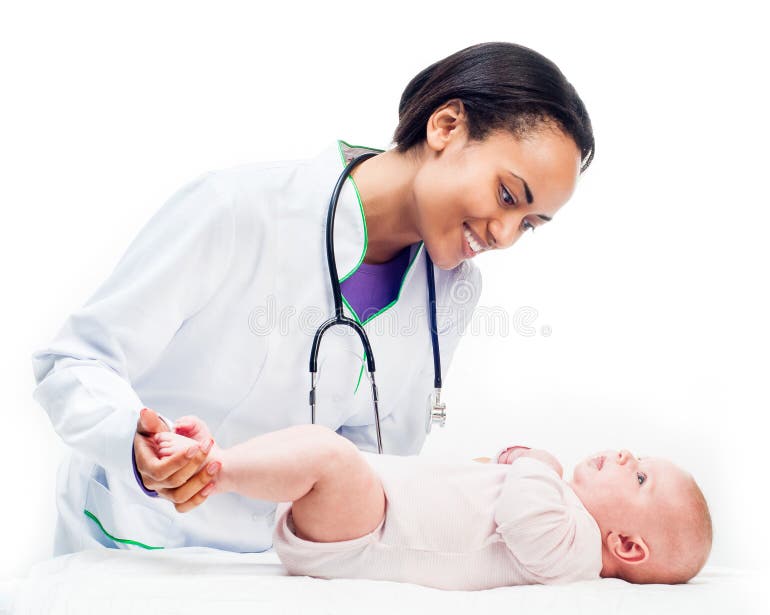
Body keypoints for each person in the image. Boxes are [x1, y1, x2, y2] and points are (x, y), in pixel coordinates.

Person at [30, 41, 595, 555]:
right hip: (131, 546)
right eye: (506, 195)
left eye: (529, 224)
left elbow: (372, 464)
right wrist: (133, 442)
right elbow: (73, 362)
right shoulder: (240, 209)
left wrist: (469, 488)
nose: (502, 234)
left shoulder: (452, 291)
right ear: (446, 126)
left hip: (276, 570)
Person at [151, 415, 713, 590]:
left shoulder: (580, 555)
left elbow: (522, 512)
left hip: (373, 535)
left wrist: (536, 460)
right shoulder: (568, 524)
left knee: (329, 456)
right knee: (317, 443)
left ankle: (214, 470)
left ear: (628, 547)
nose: (621, 455)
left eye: (639, 477)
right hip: (376, 509)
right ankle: (217, 456)